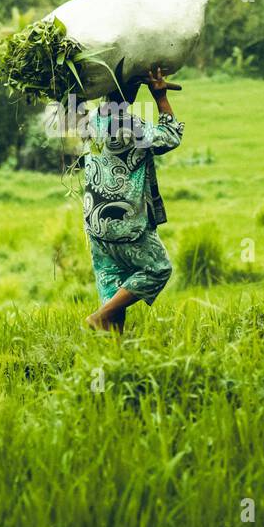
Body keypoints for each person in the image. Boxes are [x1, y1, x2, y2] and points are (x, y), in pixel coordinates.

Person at [82, 67, 184, 332]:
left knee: (112, 286)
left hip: (95, 220)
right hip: (125, 222)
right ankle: (99, 316)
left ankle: (114, 355)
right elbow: (171, 137)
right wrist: (160, 96)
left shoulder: (90, 120)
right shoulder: (131, 126)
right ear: (131, 94)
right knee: (158, 269)